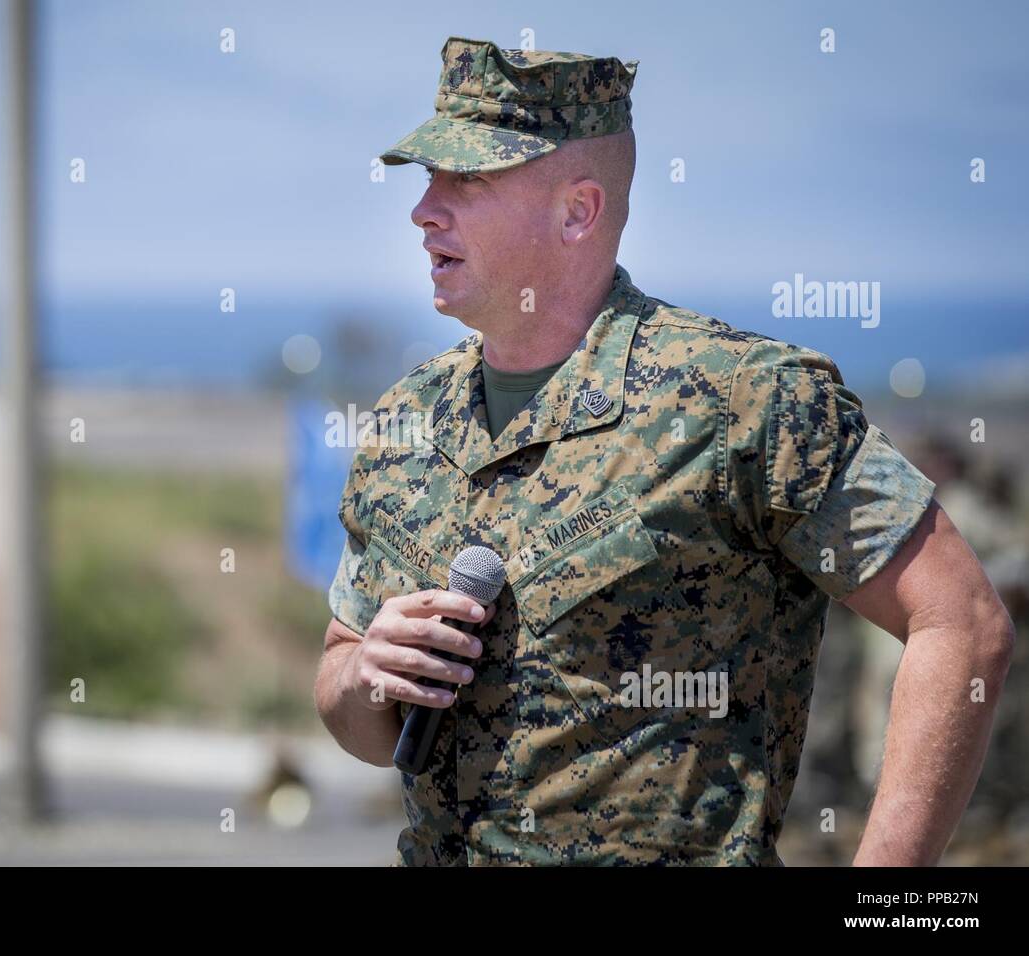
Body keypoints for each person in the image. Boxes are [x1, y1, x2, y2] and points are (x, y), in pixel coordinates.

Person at [312, 36, 1015, 866]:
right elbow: (344, 698)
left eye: (465, 180)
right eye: (427, 179)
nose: (424, 210)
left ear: (578, 211)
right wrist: (364, 675)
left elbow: (960, 622)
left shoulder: (745, 402)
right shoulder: (406, 422)